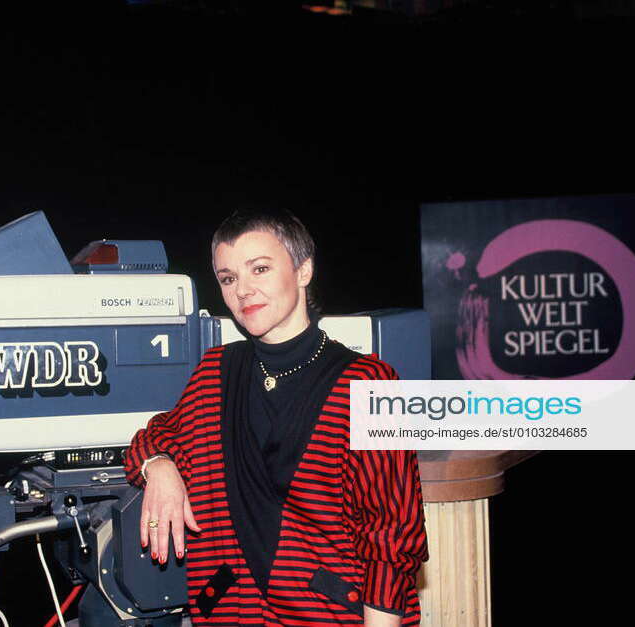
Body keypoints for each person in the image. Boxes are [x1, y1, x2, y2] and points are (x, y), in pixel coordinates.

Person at [124, 210, 428, 626]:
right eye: (228, 278)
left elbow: (390, 538)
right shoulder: (216, 372)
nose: (243, 290)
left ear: (303, 270)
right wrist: (159, 466)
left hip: (327, 614)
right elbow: (157, 434)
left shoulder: (369, 383)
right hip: (229, 612)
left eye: (260, 269)